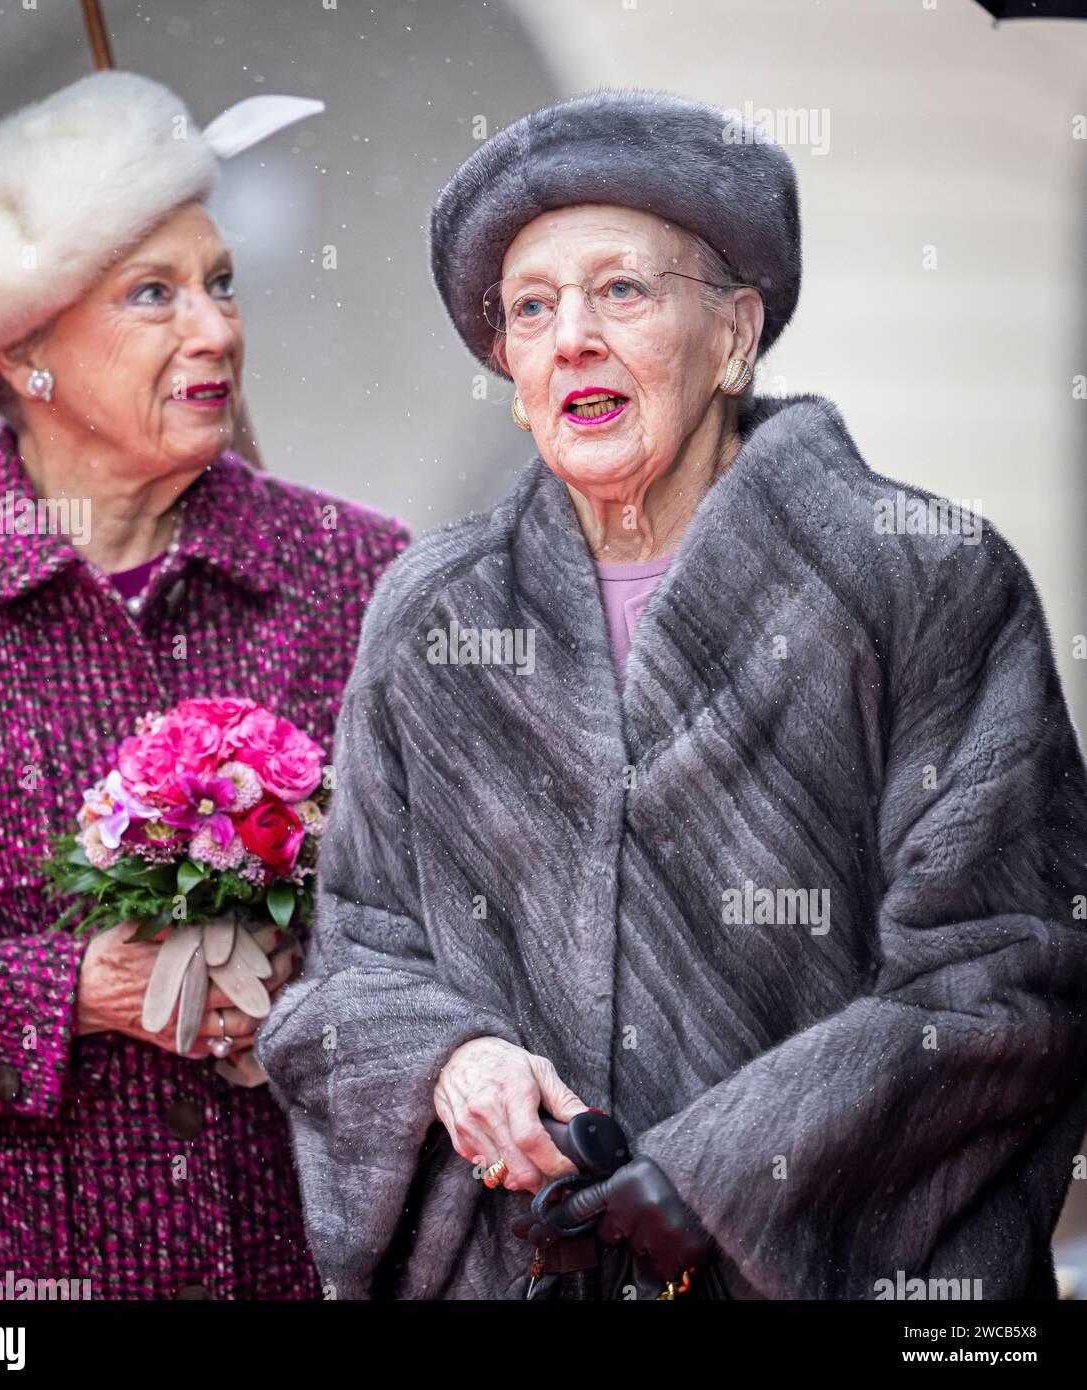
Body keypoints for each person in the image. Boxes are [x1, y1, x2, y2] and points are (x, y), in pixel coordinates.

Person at [256, 89, 1087, 1300]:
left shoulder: (924, 578)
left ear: (737, 335)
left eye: (621, 292)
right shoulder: (432, 612)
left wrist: (717, 1180)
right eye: (530, 309)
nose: (569, 339)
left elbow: (1006, 975)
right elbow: (355, 964)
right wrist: (452, 1056)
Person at [0, 70, 408, 1299]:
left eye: (219, 283)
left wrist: (306, 982)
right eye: (152, 294)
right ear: (25, 350)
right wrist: (68, 992)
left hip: (288, 1263)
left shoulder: (357, 574)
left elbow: (452, 920)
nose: (215, 328)